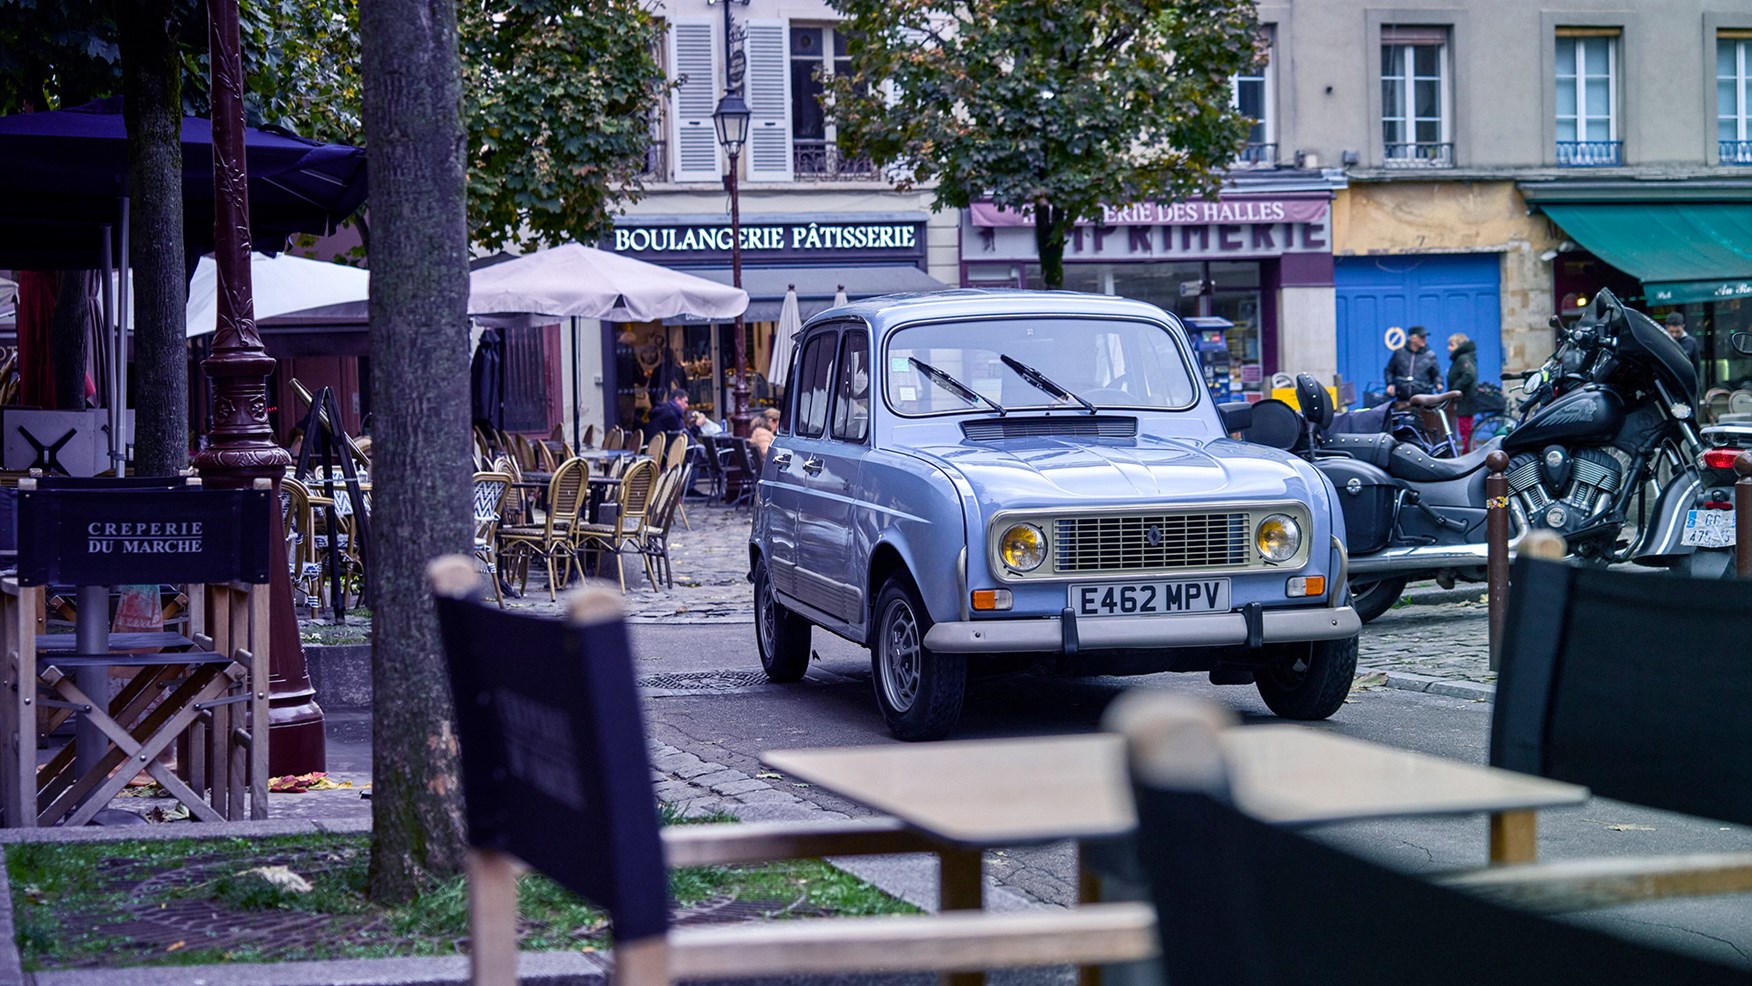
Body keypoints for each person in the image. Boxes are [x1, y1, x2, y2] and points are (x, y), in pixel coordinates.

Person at [1384, 325, 1442, 399]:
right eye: (1421, 337)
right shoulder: (1399, 353)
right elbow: (1389, 370)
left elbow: (1437, 374)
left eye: (1425, 337)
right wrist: (1390, 384)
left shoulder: (1430, 356)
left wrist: (1438, 383)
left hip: (1423, 399)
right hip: (1402, 398)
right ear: (1412, 338)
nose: (1424, 340)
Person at [1445, 332, 1478, 450]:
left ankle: (1469, 455)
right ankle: (1468, 453)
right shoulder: (1461, 358)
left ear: (1459, 346)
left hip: (1465, 401)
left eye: (1451, 345)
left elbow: (1469, 374)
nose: (1449, 348)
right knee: (1465, 432)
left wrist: (1455, 389)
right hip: (1463, 401)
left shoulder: (1463, 358)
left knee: (1466, 432)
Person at [1665, 312, 1702, 387]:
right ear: (1667, 327)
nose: (1674, 335)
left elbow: (1696, 367)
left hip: (1686, 383)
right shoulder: (1662, 340)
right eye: (1671, 332)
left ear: (1683, 326)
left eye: (1677, 331)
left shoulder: (1691, 342)